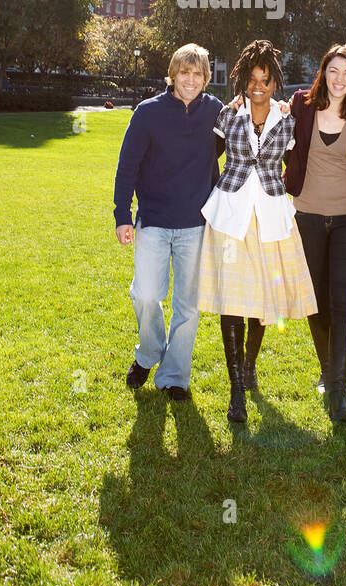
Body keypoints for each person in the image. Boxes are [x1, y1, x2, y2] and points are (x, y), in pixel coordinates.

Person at [198, 39, 317, 424]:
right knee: (232, 301)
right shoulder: (228, 116)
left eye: (265, 80)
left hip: (270, 217)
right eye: (251, 79)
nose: (258, 86)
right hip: (230, 216)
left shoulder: (288, 120)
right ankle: (236, 392)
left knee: (260, 298)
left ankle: (249, 367)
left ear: (274, 82)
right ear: (242, 82)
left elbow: (297, 168)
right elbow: (203, 158)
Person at [113, 43, 223, 402]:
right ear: (173, 74)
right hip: (154, 221)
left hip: (195, 224)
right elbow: (127, 166)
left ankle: (175, 375)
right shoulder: (148, 113)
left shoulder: (216, 112)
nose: (190, 80)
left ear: (206, 78)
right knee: (146, 294)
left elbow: (246, 129)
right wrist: (122, 215)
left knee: (188, 306)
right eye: (184, 72)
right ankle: (149, 352)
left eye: (197, 74)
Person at [283, 44, 346, 424]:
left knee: (342, 302)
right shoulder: (301, 106)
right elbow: (273, 130)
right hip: (306, 216)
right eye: (334, 70)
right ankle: (327, 367)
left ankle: (338, 390)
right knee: (315, 300)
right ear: (323, 72)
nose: (340, 79)